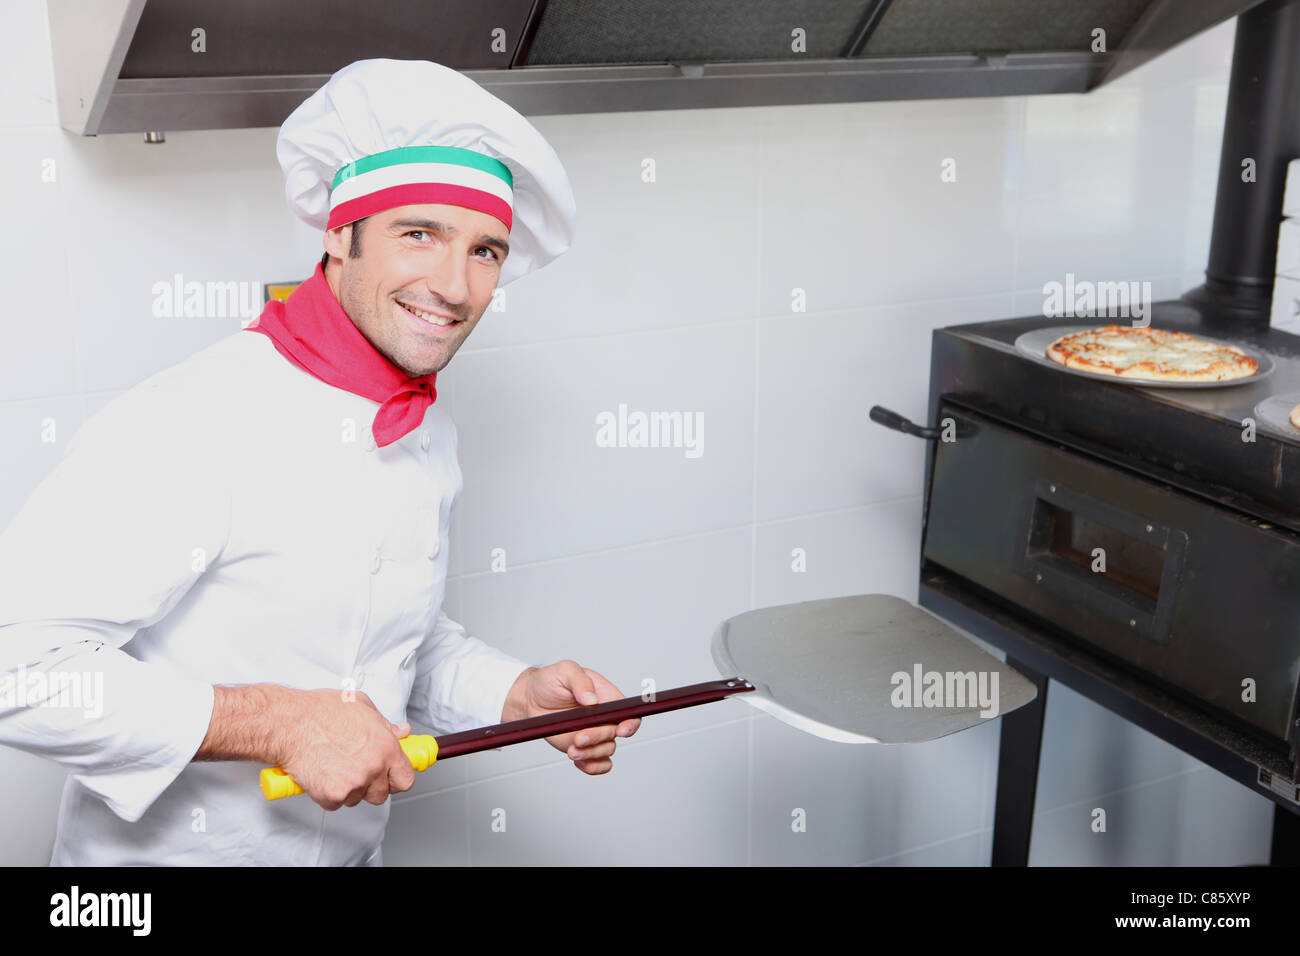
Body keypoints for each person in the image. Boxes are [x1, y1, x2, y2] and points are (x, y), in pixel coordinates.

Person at [0, 58, 638, 866]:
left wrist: (515, 694)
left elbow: (381, 636)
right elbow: (13, 663)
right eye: (420, 234)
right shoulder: (193, 419)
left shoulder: (422, 423)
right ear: (340, 232)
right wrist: (275, 721)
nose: (454, 284)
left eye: (485, 251)